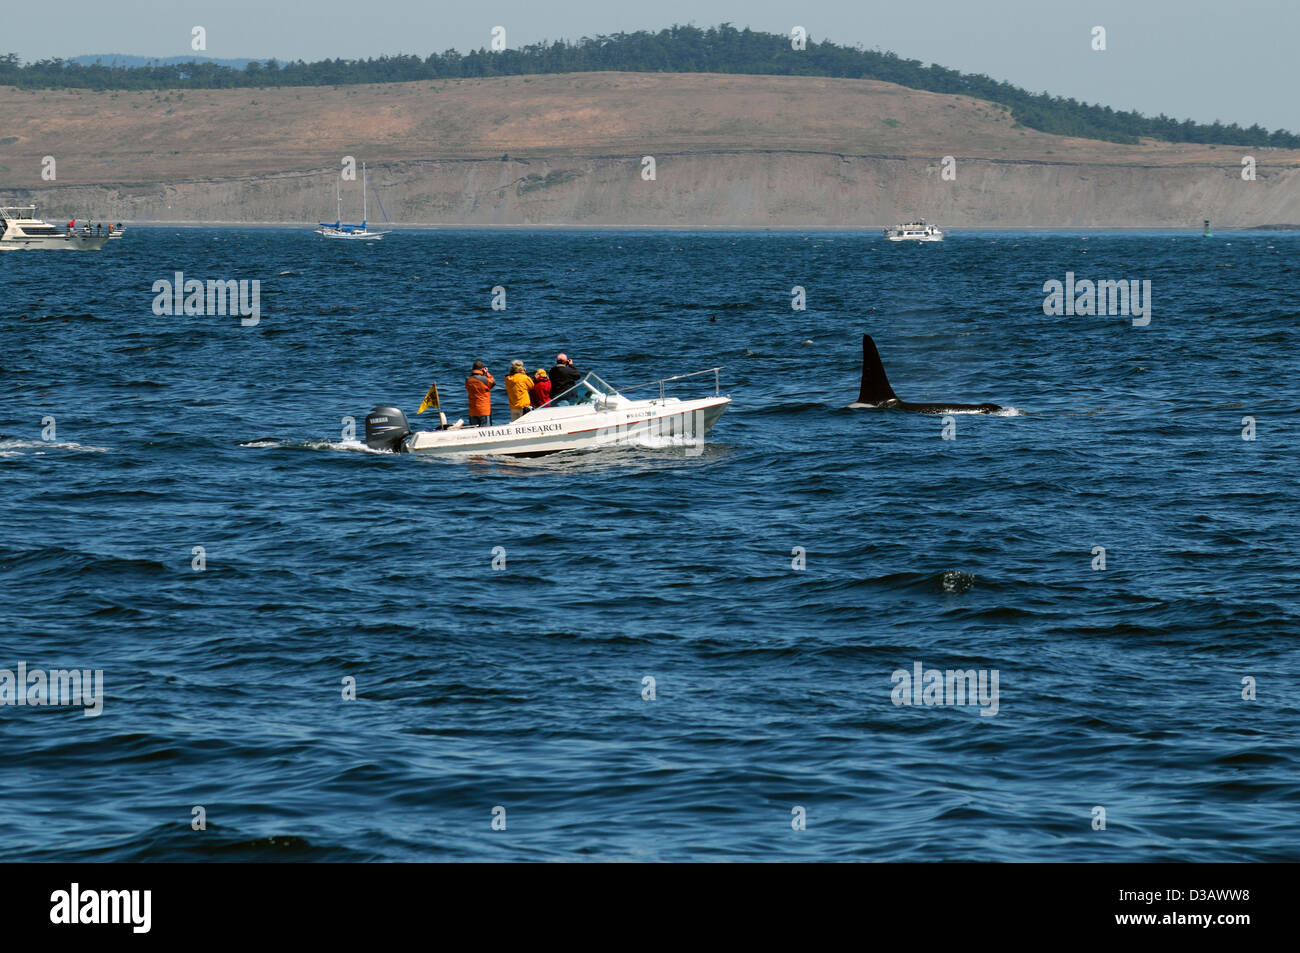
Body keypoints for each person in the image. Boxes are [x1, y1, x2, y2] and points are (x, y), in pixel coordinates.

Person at [464, 360, 495, 427]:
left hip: (473, 410)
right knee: (485, 432)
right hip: (484, 410)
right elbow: (493, 383)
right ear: (482, 369)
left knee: (474, 432)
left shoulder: (468, 380)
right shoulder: (484, 379)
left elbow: (467, 386)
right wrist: (487, 373)